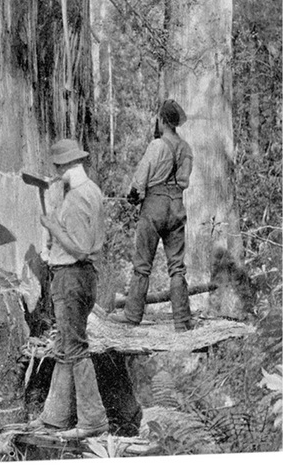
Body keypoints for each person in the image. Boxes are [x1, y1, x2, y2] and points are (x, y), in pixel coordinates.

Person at [29, 138, 109, 439]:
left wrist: (52, 226)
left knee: (74, 348)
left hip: (72, 276)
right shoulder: (93, 191)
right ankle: (54, 417)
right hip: (82, 278)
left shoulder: (76, 198)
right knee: (64, 346)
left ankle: (93, 420)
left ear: (64, 167)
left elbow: (80, 249)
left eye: (57, 168)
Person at [110, 99, 194, 331]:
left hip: (154, 206)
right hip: (176, 205)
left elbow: (140, 180)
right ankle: (182, 321)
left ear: (163, 120)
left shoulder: (157, 145)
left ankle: (132, 315)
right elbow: (185, 180)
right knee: (177, 266)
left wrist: (134, 195)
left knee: (142, 264)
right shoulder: (186, 149)